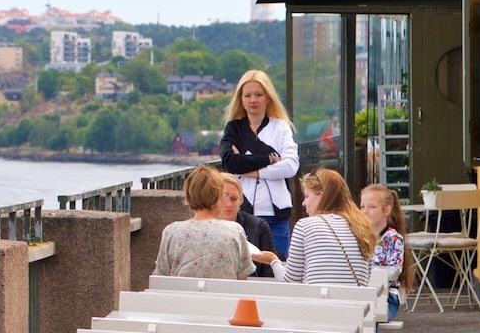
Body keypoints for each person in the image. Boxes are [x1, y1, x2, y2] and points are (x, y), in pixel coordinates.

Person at [219, 69, 300, 261]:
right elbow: (230, 162)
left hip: (276, 216)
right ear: (241, 99)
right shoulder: (233, 128)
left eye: (258, 94)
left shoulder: (280, 127)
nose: (253, 100)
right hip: (243, 213)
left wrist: (251, 171)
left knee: (277, 266)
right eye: (247, 95)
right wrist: (269, 159)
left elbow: (290, 166)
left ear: (268, 98)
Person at [261, 169, 375, 286]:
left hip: (318, 302)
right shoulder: (363, 227)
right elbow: (365, 278)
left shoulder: (305, 226)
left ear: (322, 195)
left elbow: (290, 284)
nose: (303, 203)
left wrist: (273, 260)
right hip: (356, 302)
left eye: (307, 196)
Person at [154, 165, 257, 280]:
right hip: (223, 296)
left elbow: (161, 278)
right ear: (219, 197)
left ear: (188, 196)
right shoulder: (235, 231)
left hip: (183, 296)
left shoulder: (172, 232)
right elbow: (242, 279)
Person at [361, 184, 413, 321]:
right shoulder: (358, 236)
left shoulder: (393, 238)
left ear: (386, 210)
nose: (365, 211)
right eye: (362, 207)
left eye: (371, 207)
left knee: (370, 315)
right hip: (362, 293)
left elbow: (393, 272)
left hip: (386, 296)